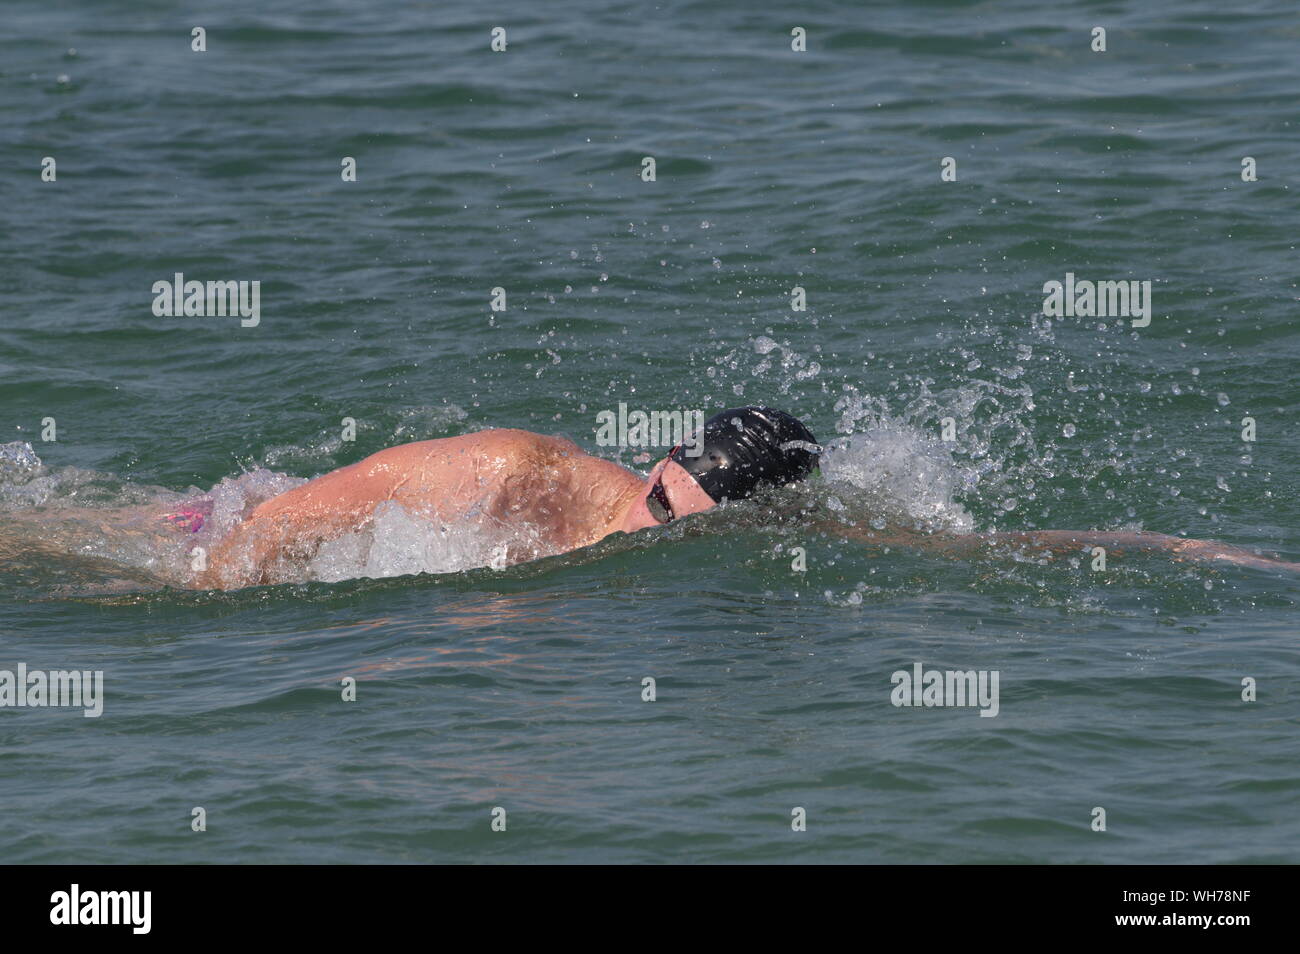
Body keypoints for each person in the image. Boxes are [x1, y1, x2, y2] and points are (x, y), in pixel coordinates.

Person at [192, 405, 1299, 590]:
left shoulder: (761, 514)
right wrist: (203, 600)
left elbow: (976, 550)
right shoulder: (505, 473)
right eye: (659, 513)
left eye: (681, 530)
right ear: (660, 469)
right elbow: (275, 527)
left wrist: (1178, 544)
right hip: (226, 517)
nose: (652, 531)